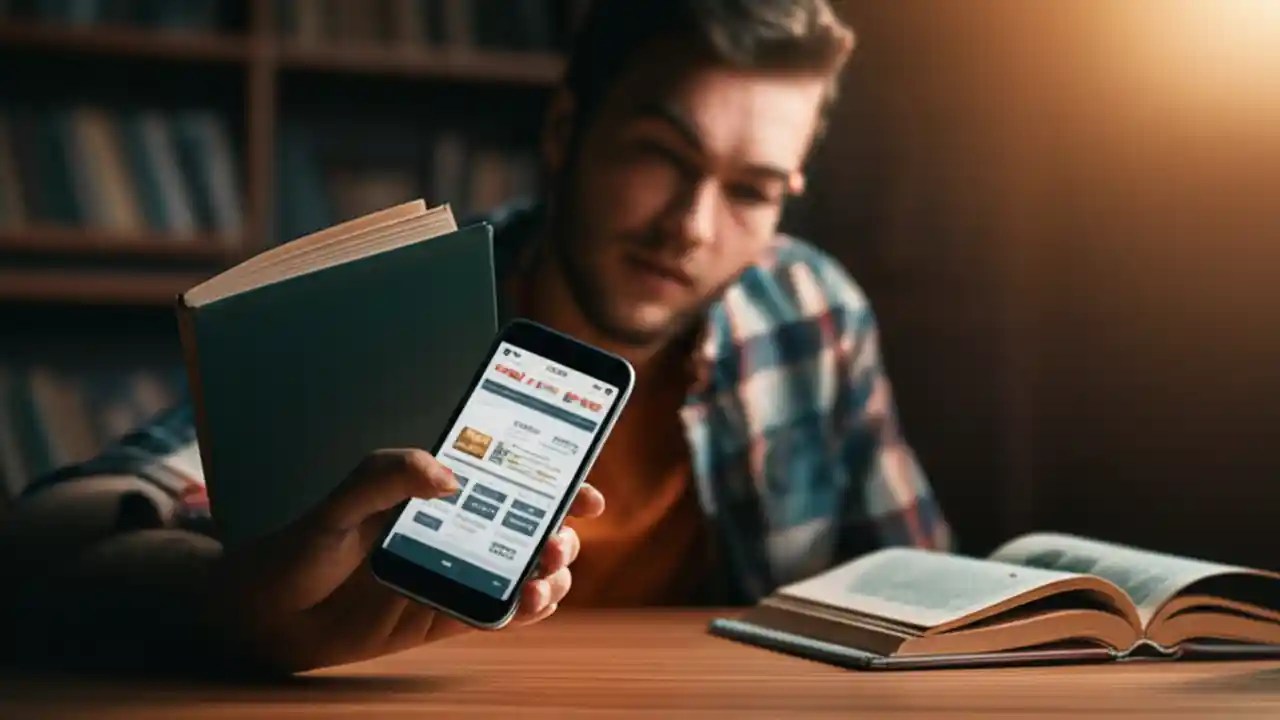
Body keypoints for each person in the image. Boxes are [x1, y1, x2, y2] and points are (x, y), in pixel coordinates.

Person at [0, 0, 951, 676]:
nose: (692, 227)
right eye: (663, 156)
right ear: (567, 128)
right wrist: (227, 600)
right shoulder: (397, 304)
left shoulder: (812, 312)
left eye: (752, 191)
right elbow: (51, 530)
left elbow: (920, 583)